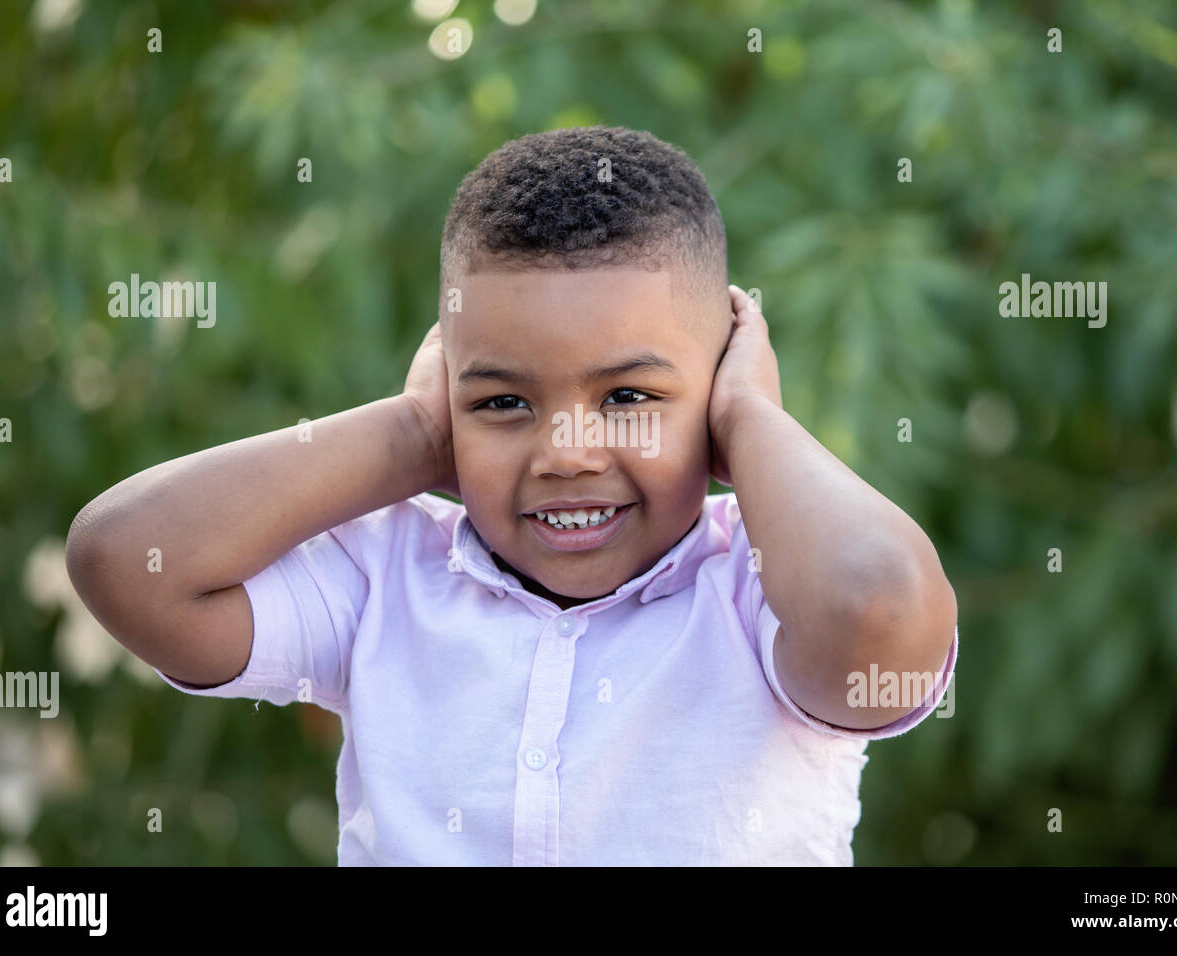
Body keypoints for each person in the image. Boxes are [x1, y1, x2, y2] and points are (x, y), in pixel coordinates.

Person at [66, 125, 958, 865]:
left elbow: (879, 611)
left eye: (630, 397)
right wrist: (411, 436)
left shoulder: (760, 593)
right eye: (503, 402)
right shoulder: (386, 579)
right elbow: (127, 560)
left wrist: (752, 416)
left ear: (717, 388)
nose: (566, 454)